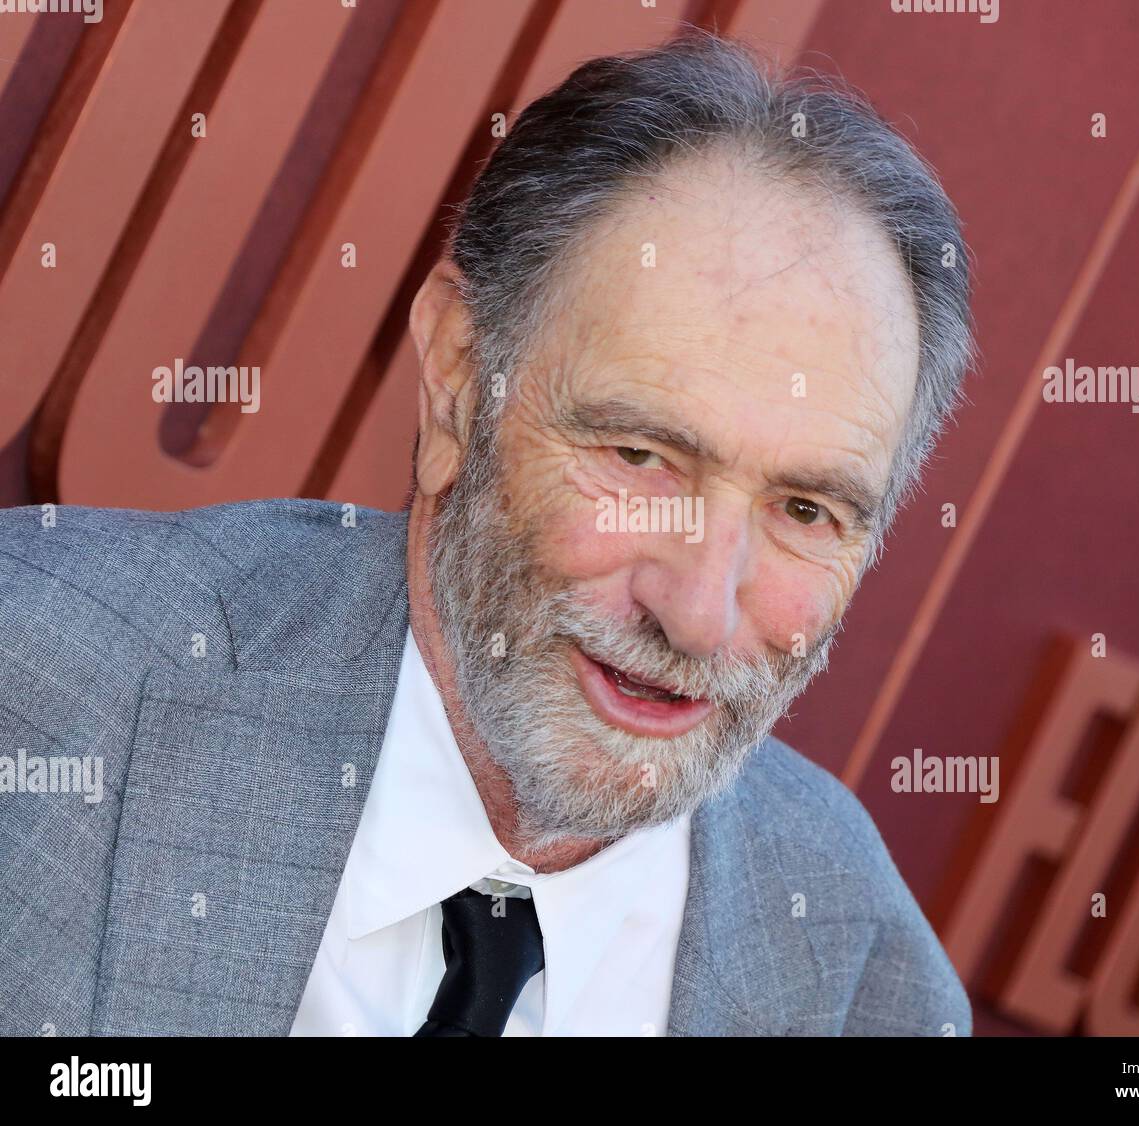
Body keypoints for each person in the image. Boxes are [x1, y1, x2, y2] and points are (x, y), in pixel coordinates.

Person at [0, 31, 974, 1037]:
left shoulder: (865, 984)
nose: (695, 611)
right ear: (460, 377)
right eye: (640, 456)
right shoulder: (32, 679)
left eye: (804, 511)